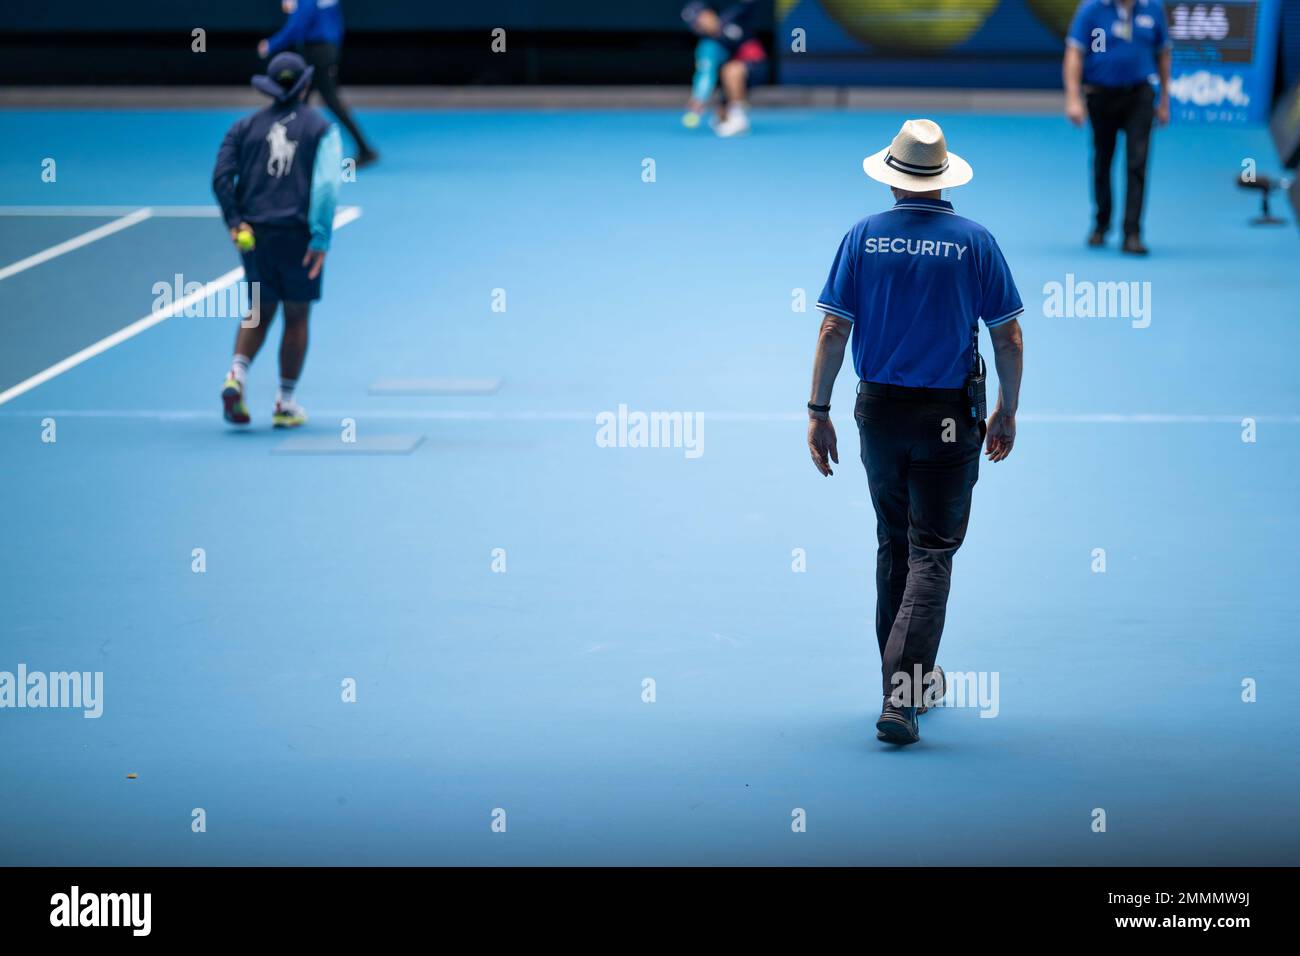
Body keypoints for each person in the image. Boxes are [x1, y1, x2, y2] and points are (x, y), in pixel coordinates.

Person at [806, 119, 1025, 746]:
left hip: (878, 412)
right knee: (933, 550)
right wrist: (1008, 407)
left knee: (894, 540)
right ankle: (903, 697)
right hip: (950, 418)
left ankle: (910, 682)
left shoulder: (863, 237)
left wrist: (817, 409)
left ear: (893, 177)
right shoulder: (975, 241)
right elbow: (1006, 335)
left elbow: (831, 332)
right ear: (943, 176)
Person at [212, 52, 342, 428]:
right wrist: (319, 237)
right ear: (304, 86)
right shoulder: (322, 129)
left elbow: (221, 178)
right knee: (296, 314)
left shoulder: (243, 128)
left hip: (255, 236)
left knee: (259, 308)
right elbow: (327, 187)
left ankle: (236, 375)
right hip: (299, 236)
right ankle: (285, 403)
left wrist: (236, 224)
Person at [1063, 0, 1172, 255]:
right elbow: (1074, 53)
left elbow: (1163, 53)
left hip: (1140, 95)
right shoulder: (1091, 9)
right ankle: (1101, 225)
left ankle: (1132, 233)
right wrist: (1073, 97)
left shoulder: (1153, 9)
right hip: (1101, 95)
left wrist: (1165, 99)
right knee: (1103, 161)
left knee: (1137, 163)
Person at [260, 0, 378, 167]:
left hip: (316, 53)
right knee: (304, 102)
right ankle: (296, 151)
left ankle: (364, 149)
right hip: (326, 51)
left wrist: (270, 45)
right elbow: (336, 24)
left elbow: (296, 26)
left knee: (316, 102)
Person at [680, 0, 767, 137]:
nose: (699, 25)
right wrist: (699, 98)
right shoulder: (707, 46)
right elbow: (706, 73)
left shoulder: (735, 16)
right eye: (695, 24)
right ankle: (730, 112)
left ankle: (739, 121)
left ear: (709, 13)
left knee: (731, 70)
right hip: (735, 78)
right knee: (720, 117)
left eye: (699, 18)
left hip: (756, 67)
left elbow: (750, 4)